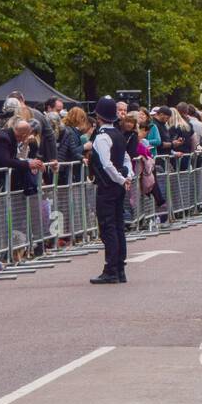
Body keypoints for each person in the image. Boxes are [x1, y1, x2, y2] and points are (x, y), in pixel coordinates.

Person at [87, 97, 134, 285]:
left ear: (98, 116)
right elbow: (127, 159)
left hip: (107, 186)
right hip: (118, 185)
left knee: (108, 227)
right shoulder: (119, 134)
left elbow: (106, 164)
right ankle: (120, 268)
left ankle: (111, 269)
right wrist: (127, 177)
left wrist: (122, 179)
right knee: (118, 226)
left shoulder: (102, 137)